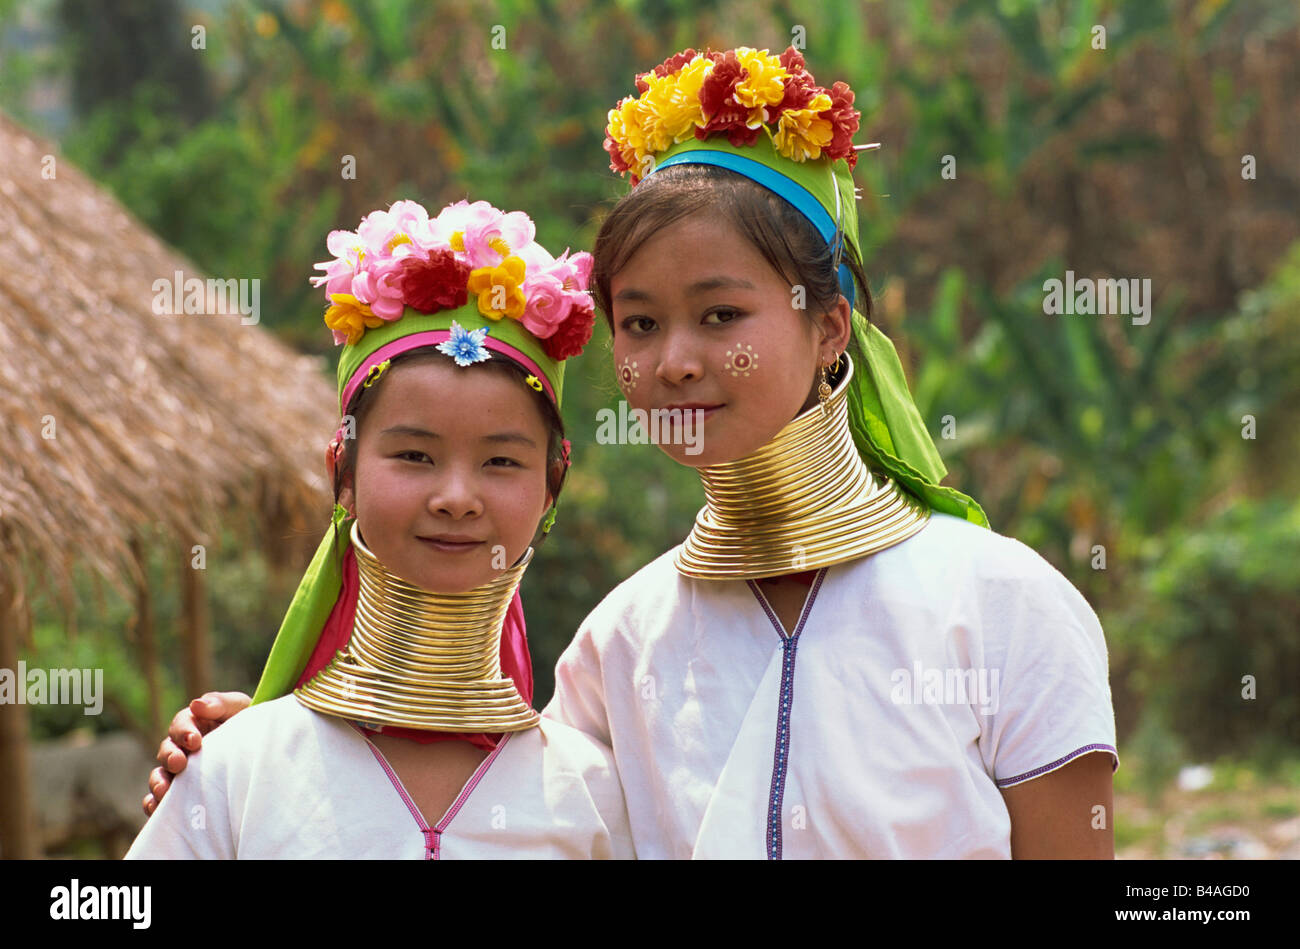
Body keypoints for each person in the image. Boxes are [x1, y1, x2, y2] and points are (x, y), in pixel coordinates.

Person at [147, 47, 1119, 859]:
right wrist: (269, 757)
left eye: (721, 314)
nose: (676, 361)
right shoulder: (619, 646)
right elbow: (500, 818)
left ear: (829, 327)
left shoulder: (1000, 606)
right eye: (641, 322)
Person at [127, 198, 631, 859]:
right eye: (414, 455)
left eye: (501, 460)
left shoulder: (594, 795)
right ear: (343, 470)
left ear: (553, 483)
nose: (456, 497)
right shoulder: (236, 774)